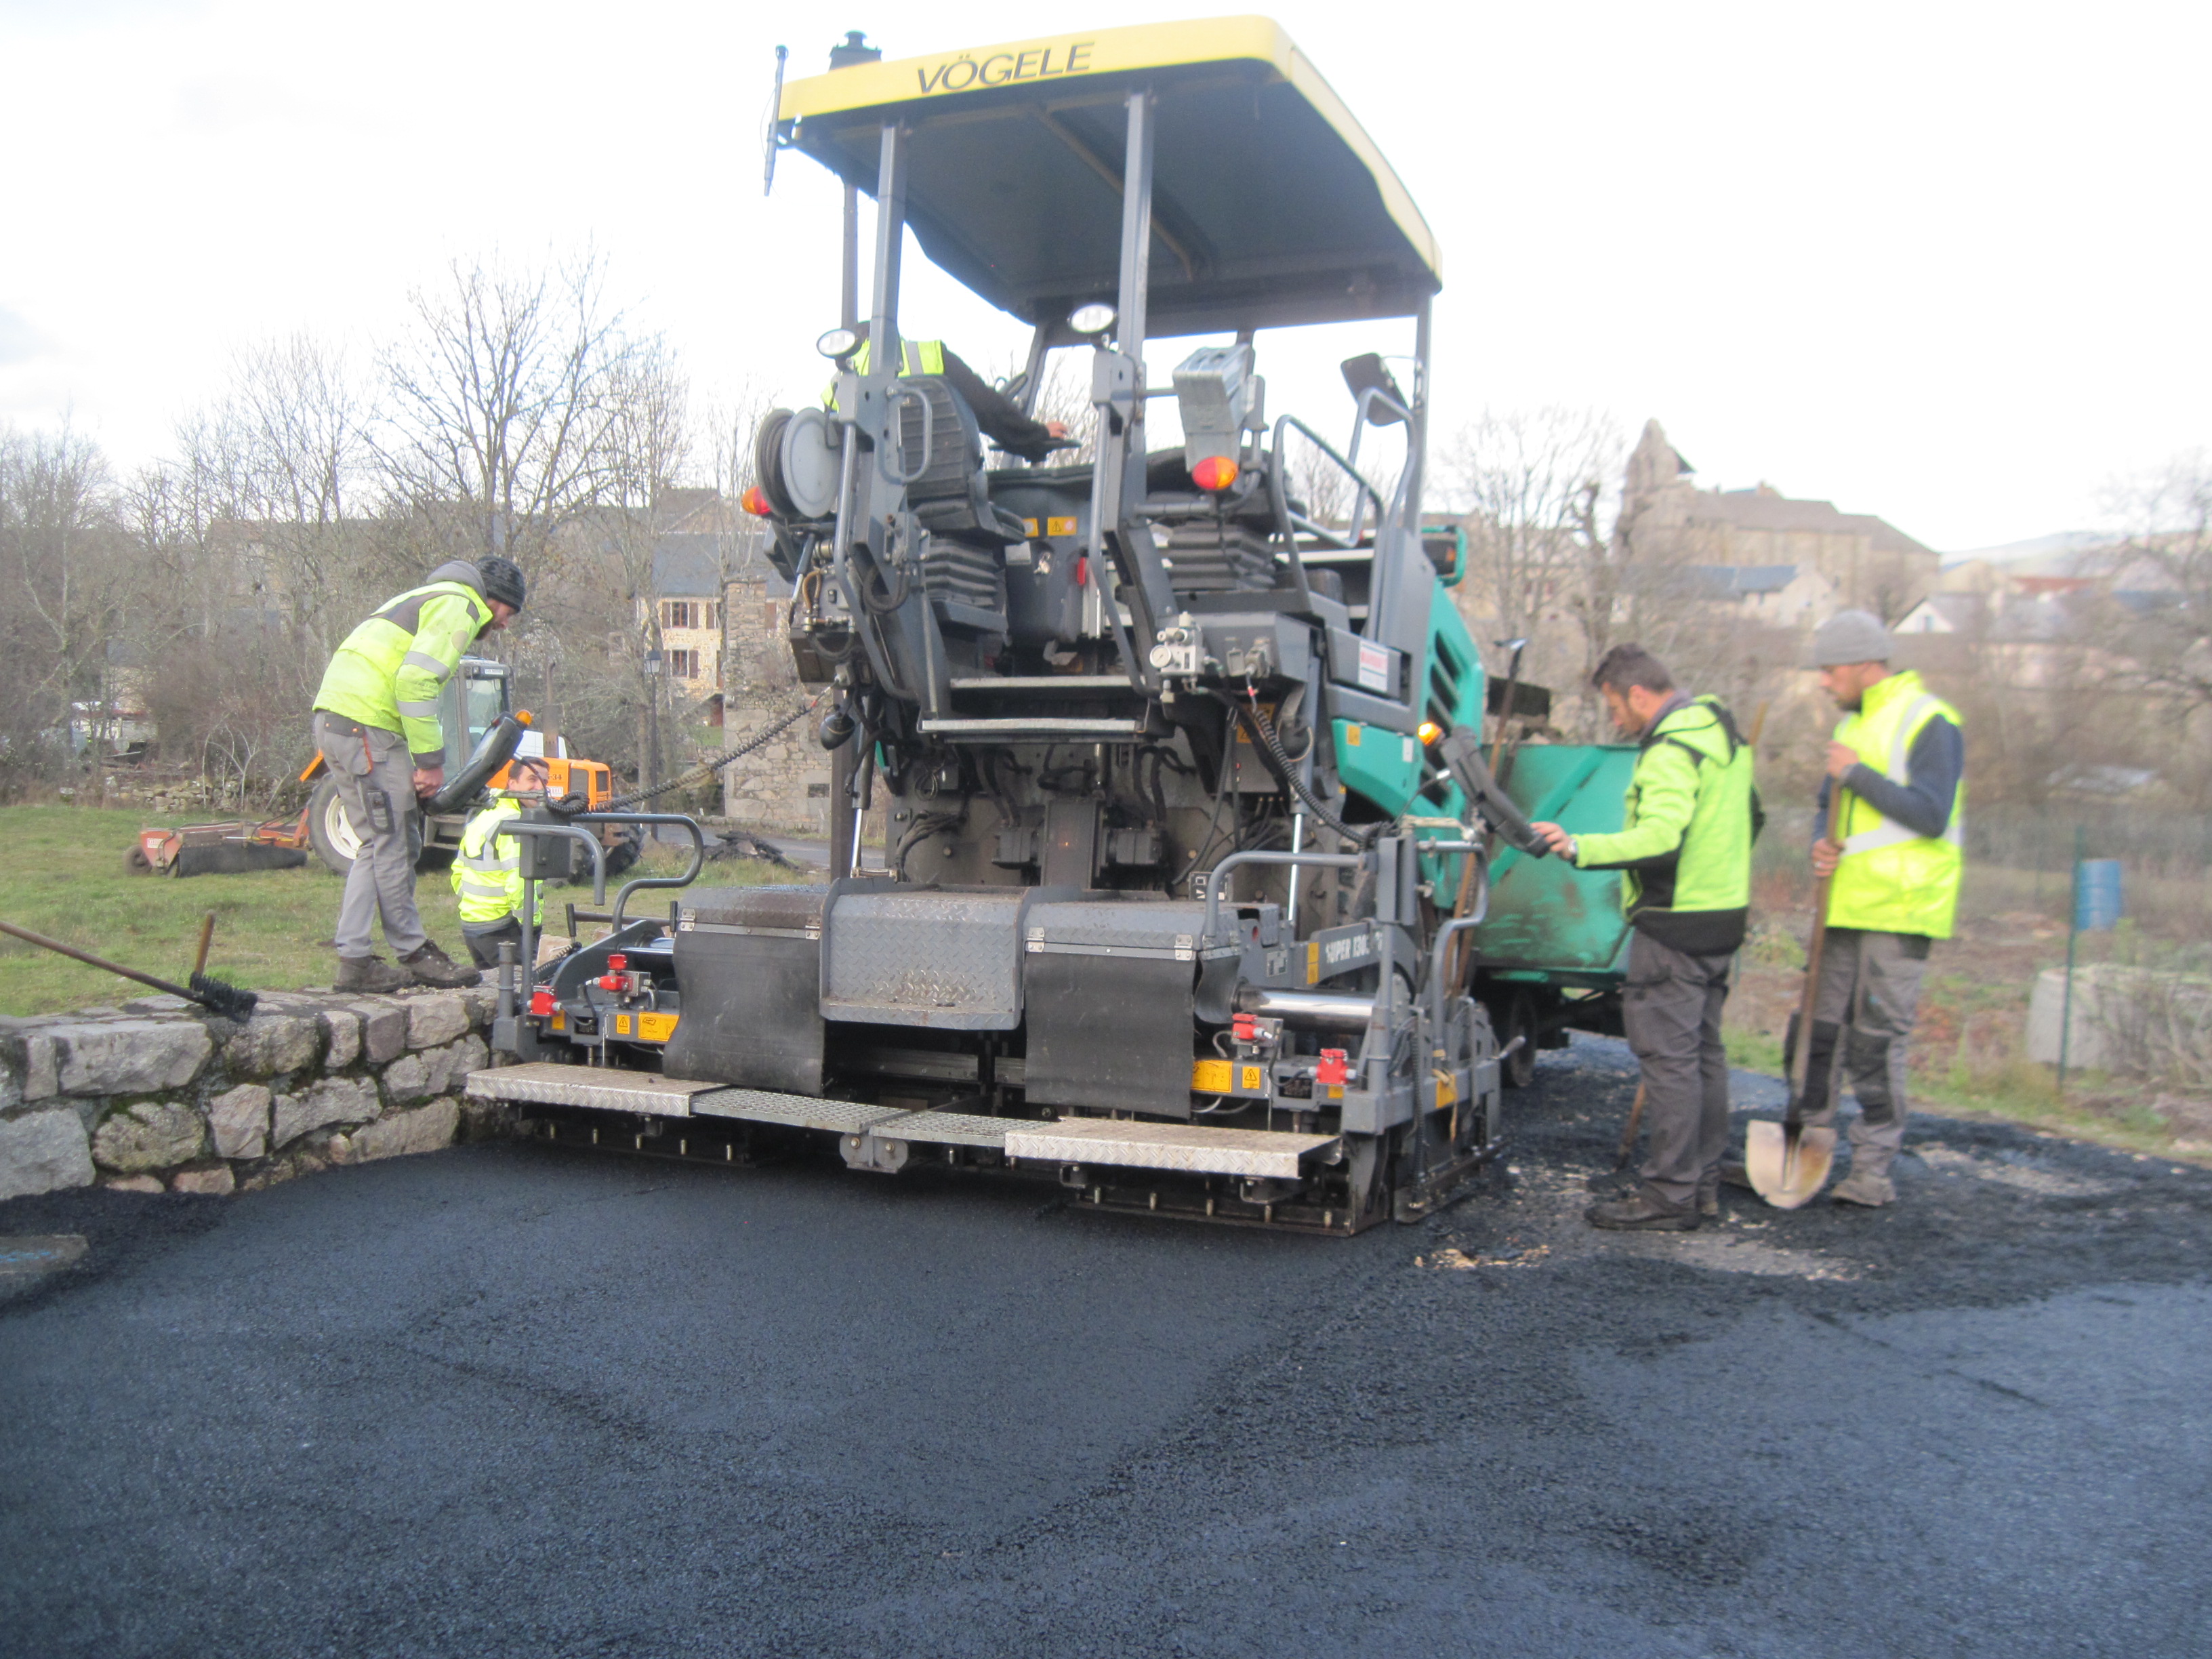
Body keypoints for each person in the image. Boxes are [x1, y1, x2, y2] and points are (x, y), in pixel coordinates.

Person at [1530, 644, 1759, 1231]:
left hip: (1675, 926)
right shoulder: (1721, 735)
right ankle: (1701, 1185)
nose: (1614, 721)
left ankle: (1669, 1197)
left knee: (1670, 1063)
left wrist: (1582, 847)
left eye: (1613, 707)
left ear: (1638, 694)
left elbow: (1661, 837)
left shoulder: (1670, 749)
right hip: (1722, 916)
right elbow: (1751, 817)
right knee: (1704, 1056)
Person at [1779, 609, 1963, 1207]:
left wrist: (1855, 775)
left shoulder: (1930, 721)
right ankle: (1807, 1154)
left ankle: (1873, 1171)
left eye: (1830, 671)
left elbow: (1930, 814)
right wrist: (1819, 843)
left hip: (1901, 910)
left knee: (1876, 1042)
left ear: (1863, 664)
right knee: (1819, 1033)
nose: (1825, 683)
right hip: (1844, 904)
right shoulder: (1855, 726)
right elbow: (1824, 805)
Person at [310, 556, 527, 992]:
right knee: (393, 843)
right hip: (368, 725)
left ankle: (354, 959)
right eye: (508, 612)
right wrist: (430, 762)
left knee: (379, 842)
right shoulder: (461, 606)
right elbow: (415, 682)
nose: (504, 624)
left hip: (336, 720)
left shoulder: (421, 597)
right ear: (493, 599)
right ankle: (414, 953)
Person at [834, 331, 1069, 462]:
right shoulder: (928, 356)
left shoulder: (836, 386)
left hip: (861, 506)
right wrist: (1035, 437)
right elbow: (987, 408)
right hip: (940, 486)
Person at [450, 754, 550, 969]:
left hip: (473, 926)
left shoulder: (485, 815)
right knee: (520, 994)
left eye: (545, 781)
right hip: (503, 929)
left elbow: (458, 872)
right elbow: (520, 883)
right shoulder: (514, 824)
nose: (540, 788)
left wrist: (475, 909)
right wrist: (532, 927)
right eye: (532, 779)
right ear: (512, 783)